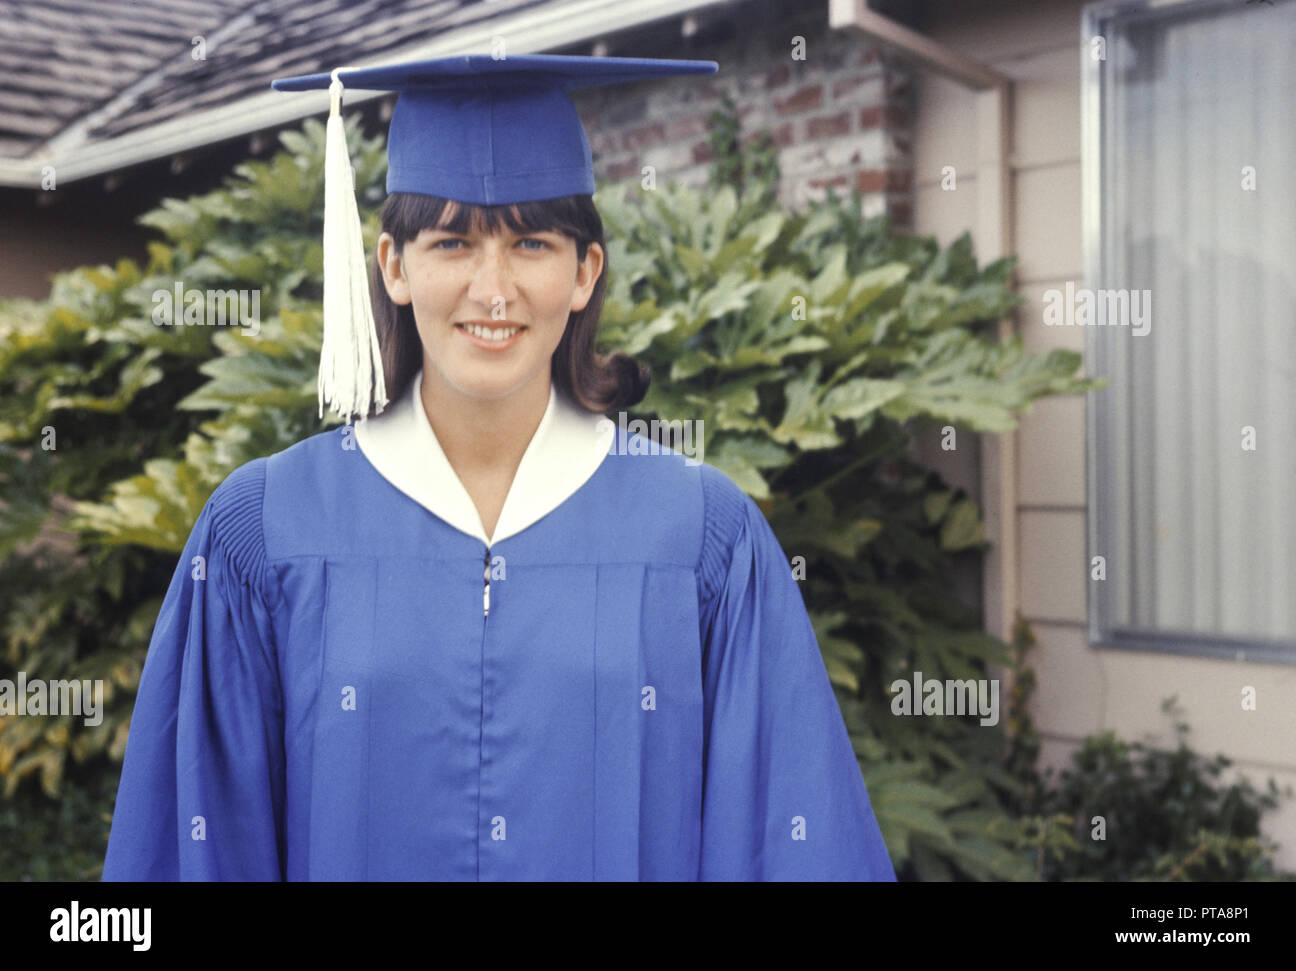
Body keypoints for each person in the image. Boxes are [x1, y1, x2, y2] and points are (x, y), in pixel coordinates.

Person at [101, 53, 897, 882]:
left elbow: (794, 839)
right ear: (394, 266)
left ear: (584, 270)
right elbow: (193, 849)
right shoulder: (264, 529)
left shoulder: (702, 537)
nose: (493, 288)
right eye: (452, 241)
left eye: (531, 242)